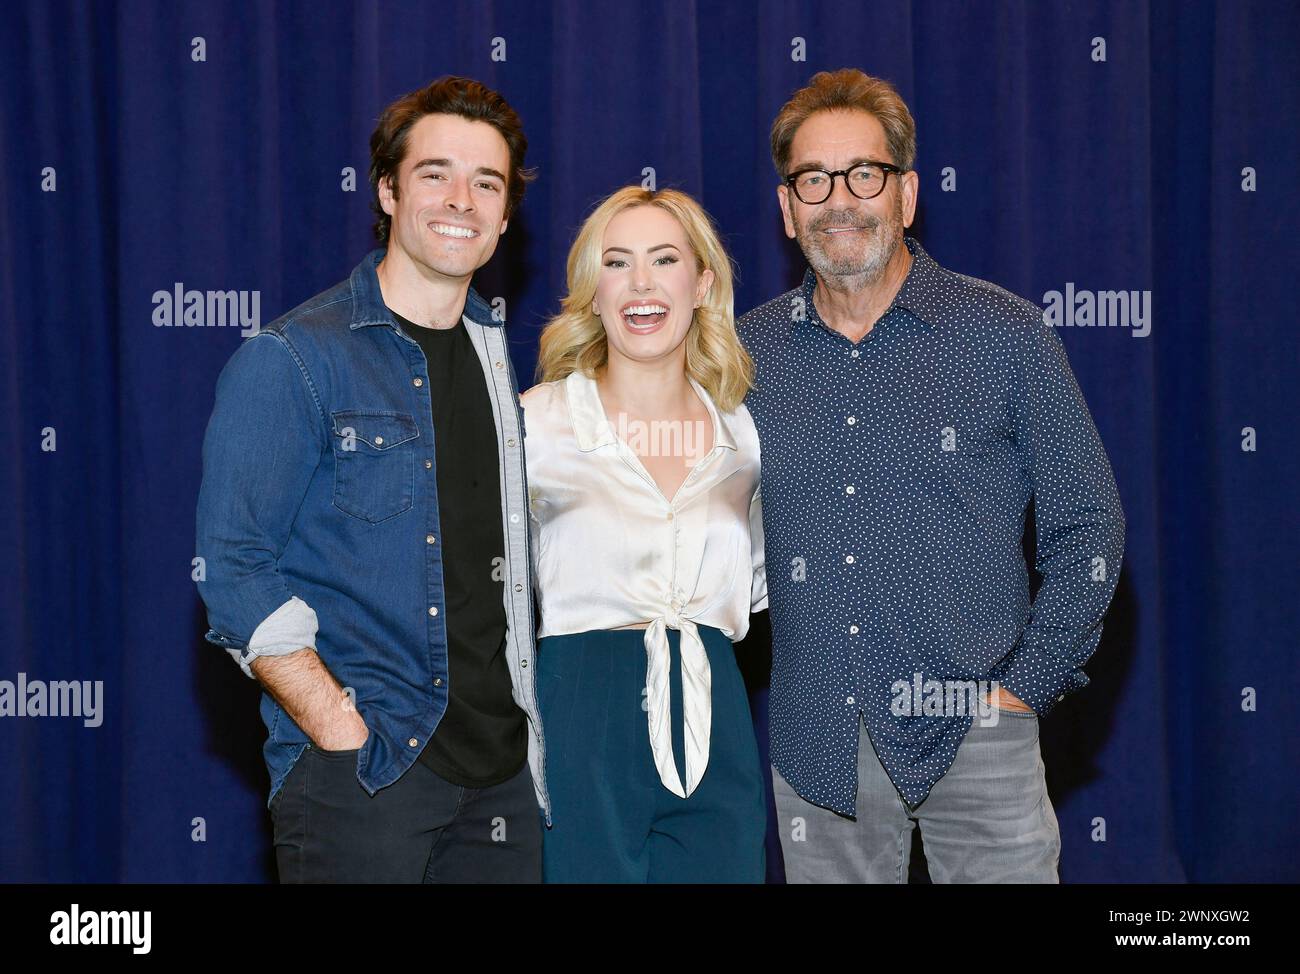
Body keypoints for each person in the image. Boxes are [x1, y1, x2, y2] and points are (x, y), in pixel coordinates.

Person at [738, 68, 1126, 883]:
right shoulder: (743, 356)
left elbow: (1088, 522)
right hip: (820, 748)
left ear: (906, 194)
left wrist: (1022, 693)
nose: (839, 198)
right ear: (787, 208)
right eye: (813, 178)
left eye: (864, 174)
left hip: (979, 735)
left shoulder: (1006, 334)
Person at [195, 76, 549, 883]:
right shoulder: (293, 357)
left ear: (504, 212)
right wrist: (337, 729)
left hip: (502, 782)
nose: (461, 199)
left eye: (486, 182)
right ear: (388, 190)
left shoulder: (499, 356)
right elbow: (234, 567)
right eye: (435, 174)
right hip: (366, 777)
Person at [521, 187, 767, 882]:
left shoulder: (743, 434)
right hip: (580, 710)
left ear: (702, 285)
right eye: (617, 262)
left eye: (664, 259)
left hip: (715, 707)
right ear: (592, 293)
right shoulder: (536, 424)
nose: (641, 284)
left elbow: (756, 583)